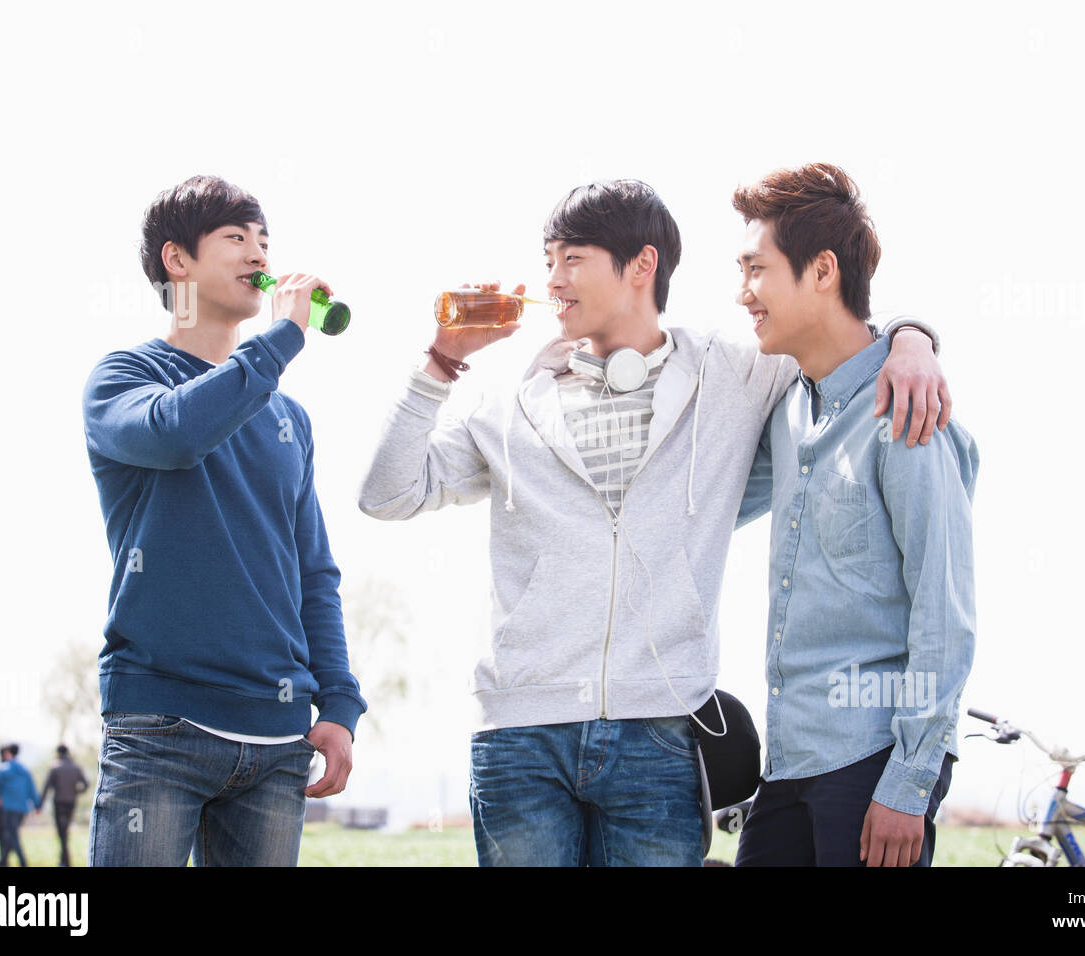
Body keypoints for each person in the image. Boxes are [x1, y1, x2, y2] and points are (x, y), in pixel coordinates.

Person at [359, 179, 948, 866]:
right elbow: (387, 493)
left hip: (660, 735)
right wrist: (442, 361)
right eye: (547, 259)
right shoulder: (507, 402)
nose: (552, 279)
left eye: (572, 259)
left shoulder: (733, 372)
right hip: (520, 735)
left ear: (642, 265)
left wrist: (912, 339)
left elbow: (837, 318)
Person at [81, 175, 367, 867]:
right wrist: (283, 338)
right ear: (177, 260)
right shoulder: (125, 377)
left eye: (264, 240)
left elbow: (313, 573)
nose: (258, 254)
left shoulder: (288, 418)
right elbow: (178, 434)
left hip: (277, 741)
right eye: (236, 237)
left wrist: (337, 705)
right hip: (159, 728)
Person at [731, 164, 977, 867]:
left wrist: (909, 782)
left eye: (756, 269)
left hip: (871, 763)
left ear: (823, 271)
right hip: (786, 763)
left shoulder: (906, 412)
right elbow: (700, 507)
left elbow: (945, 608)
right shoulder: (787, 409)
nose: (741, 293)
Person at [0, 743, 40, 867]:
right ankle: (2, 861)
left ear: (7, 753)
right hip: (22, 808)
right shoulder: (25, 770)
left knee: (12, 834)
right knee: (11, 833)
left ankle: (22, 862)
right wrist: (37, 805)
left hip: (8, 806)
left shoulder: (3, 769)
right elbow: (31, 788)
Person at [40, 745, 89, 867]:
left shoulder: (55, 767)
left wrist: (40, 803)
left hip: (59, 803)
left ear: (58, 753)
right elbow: (86, 784)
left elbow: (47, 787)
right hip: (71, 803)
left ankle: (65, 861)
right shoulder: (76, 767)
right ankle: (64, 860)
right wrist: (76, 791)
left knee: (62, 833)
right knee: (65, 832)